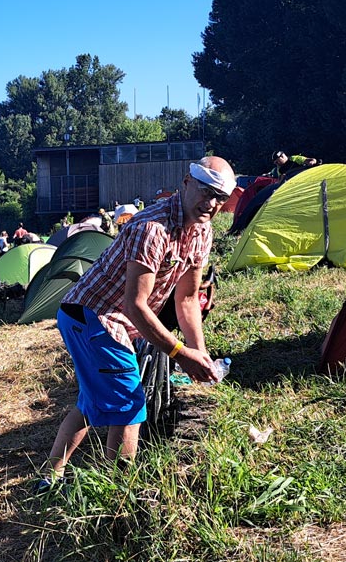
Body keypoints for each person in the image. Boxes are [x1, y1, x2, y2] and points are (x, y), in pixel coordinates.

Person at [42, 156, 235, 486]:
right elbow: (135, 306)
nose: (211, 203)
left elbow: (187, 298)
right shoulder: (152, 228)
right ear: (186, 184)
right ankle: (118, 496)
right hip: (92, 315)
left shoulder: (203, 233)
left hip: (110, 317)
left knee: (92, 403)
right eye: (205, 191)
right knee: (130, 404)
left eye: (220, 197)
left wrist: (199, 354)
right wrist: (179, 353)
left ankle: (49, 476)